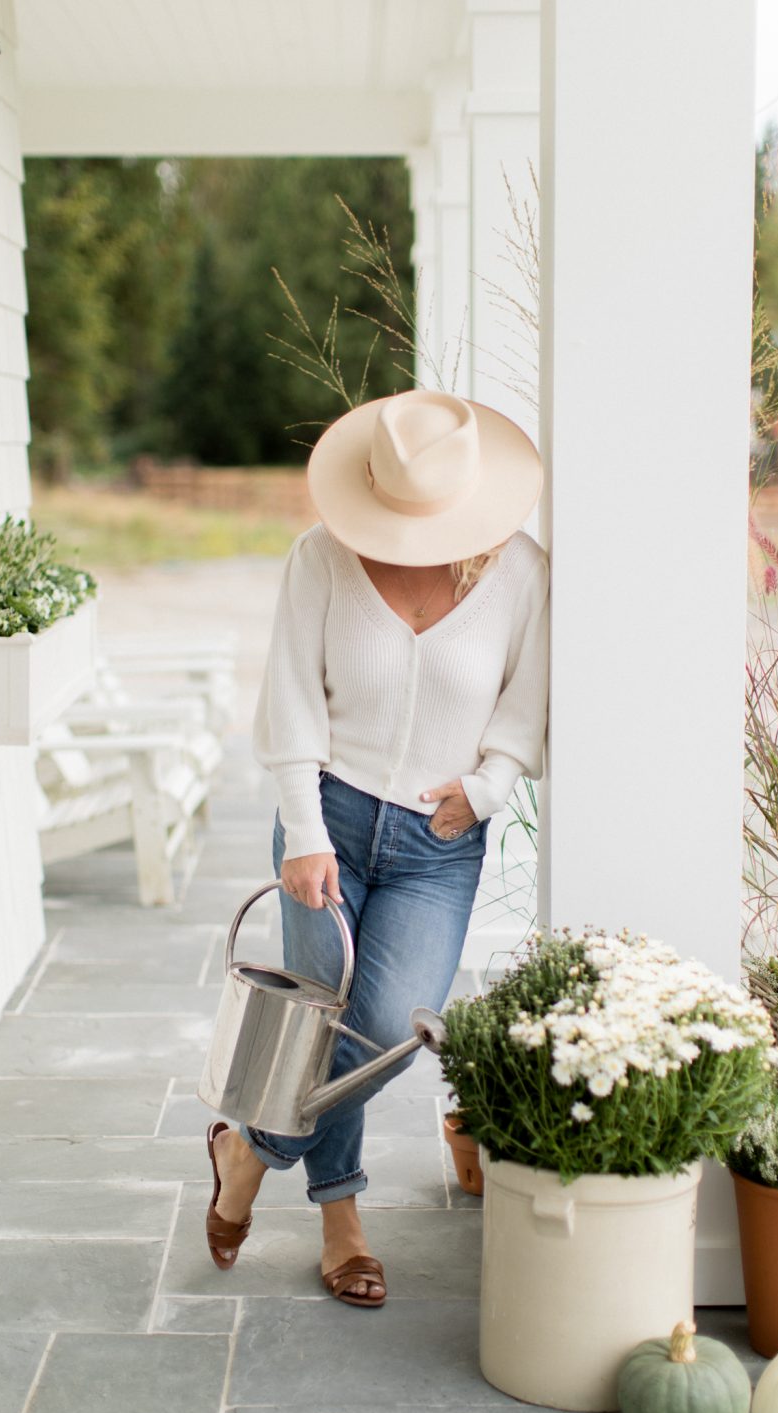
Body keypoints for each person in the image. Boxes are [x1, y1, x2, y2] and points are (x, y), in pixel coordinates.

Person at [203, 388, 549, 1306]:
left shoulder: (521, 572)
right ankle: (342, 1216)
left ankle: (247, 1153)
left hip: (440, 843)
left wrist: (489, 788)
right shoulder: (319, 558)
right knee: (320, 1018)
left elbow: (525, 703)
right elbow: (289, 702)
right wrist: (305, 831)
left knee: (388, 1029)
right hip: (331, 822)